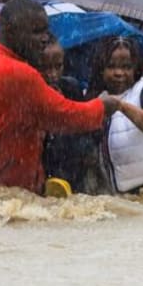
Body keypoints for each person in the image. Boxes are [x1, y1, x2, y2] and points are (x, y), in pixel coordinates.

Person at [0, 0, 120, 194]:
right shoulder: (19, 73)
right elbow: (65, 116)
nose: (45, 37)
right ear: (12, 33)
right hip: (7, 187)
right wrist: (101, 106)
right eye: (36, 31)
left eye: (45, 30)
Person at [87, 36, 143, 193]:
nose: (119, 73)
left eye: (126, 67)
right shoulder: (93, 97)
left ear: (136, 69)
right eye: (111, 66)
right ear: (101, 69)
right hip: (123, 196)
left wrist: (121, 107)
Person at [37, 34, 92, 192]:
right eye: (45, 68)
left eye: (58, 66)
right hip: (40, 173)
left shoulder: (71, 88)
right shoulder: (28, 94)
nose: (53, 74)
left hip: (72, 170)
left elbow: (83, 128)